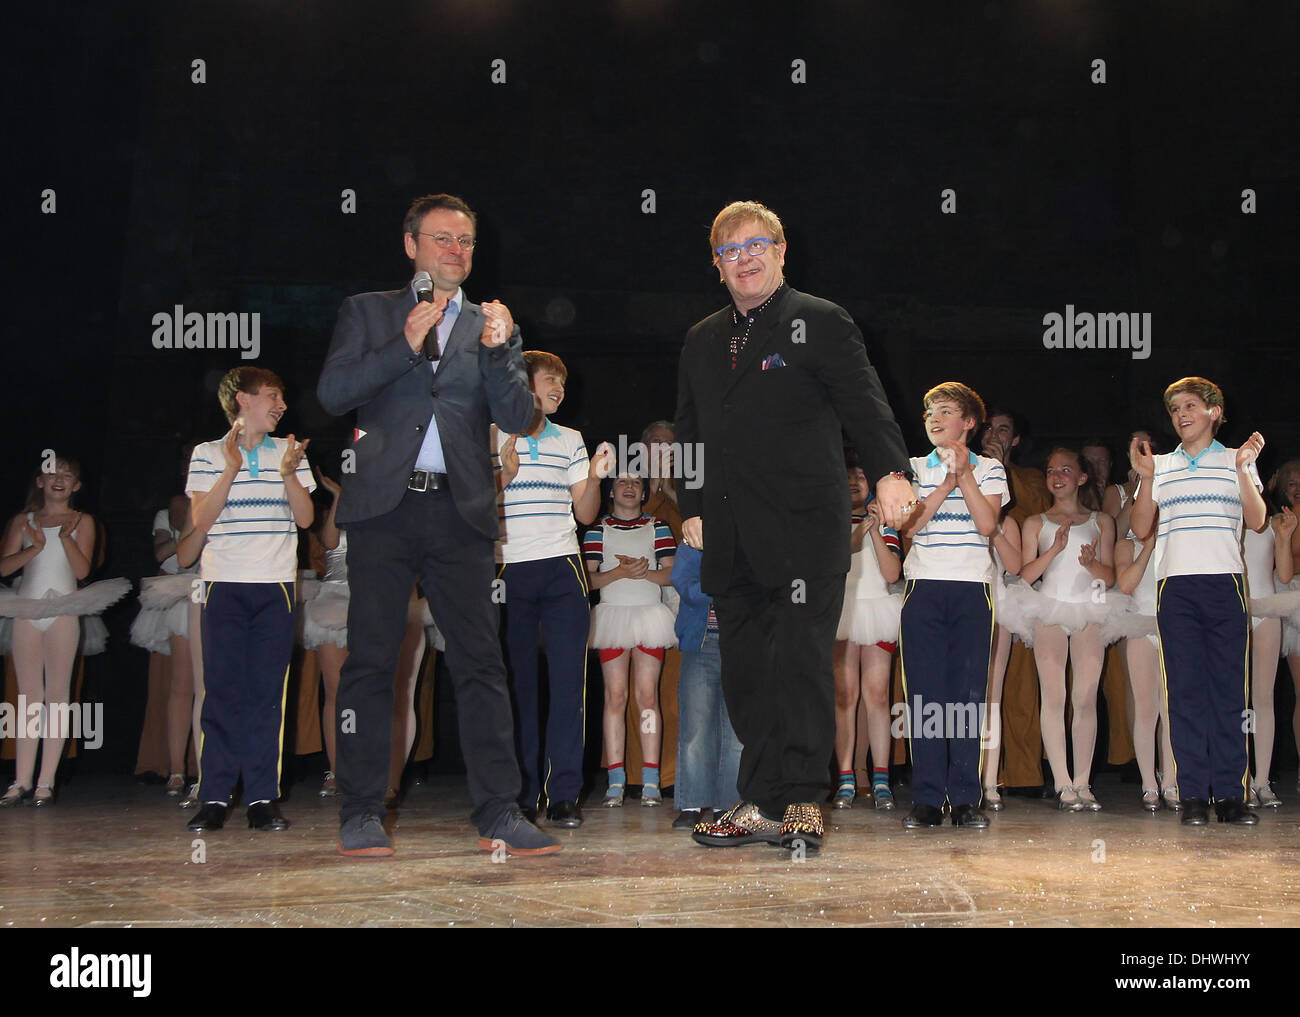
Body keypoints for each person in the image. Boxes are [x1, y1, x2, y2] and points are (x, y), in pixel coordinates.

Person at [318, 192, 560, 857]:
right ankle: (362, 809)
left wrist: (503, 351)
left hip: (461, 512)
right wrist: (403, 344)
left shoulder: (491, 323)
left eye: (466, 242)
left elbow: (519, 419)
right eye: (443, 239)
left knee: (482, 665)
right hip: (382, 512)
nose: (457, 251)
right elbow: (334, 393)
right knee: (370, 663)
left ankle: (499, 811)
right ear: (410, 244)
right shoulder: (367, 311)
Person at [676, 200, 911, 854]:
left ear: (781, 252)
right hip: (729, 531)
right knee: (747, 673)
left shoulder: (821, 320)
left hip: (806, 528)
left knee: (801, 664)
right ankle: (763, 798)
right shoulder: (700, 338)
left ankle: (804, 797)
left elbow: (866, 402)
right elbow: (690, 427)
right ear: (717, 264)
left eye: (757, 245)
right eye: (730, 249)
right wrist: (691, 503)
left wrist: (891, 471)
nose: (744, 258)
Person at [1129, 376, 1266, 826]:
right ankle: (1192, 795)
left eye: (1190, 406)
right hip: (1176, 585)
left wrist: (1245, 468)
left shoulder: (1234, 458)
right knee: (1183, 692)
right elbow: (1141, 526)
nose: (1182, 415)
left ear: (1214, 412)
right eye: (1174, 410)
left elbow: (1258, 520)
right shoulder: (1161, 465)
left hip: (1225, 581)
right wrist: (1147, 479)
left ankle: (1230, 794)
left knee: (1228, 692)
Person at [182, 367, 313, 833]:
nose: (280, 405)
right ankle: (214, 797)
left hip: (275, 585)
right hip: (223, 583)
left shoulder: (288, 452)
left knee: (266, 696)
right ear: (243, 400)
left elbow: (304, 518)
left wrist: (290, 474)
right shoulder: (206, 454)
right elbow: (201, 519)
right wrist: (232, 467)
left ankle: (261, 798)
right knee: (221, 692)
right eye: (272, 396)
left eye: (281, 397)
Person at [494, 350, 607, 827]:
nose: (559, 389)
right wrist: (504, 474)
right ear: (523, 385)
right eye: (549, 380)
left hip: (563, 566)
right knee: (516, 686)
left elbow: (585, 515)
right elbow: (474, 506)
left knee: (568, 684)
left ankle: (564, 793)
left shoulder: (572, 439)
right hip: (509, 569)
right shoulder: (492, 432)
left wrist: (596, 478)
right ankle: (520, 794)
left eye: (562, 381)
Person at [898, 382, 1008, 829]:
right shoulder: (908, 468)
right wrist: (945, 480)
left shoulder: (991, 468)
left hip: (970, 587)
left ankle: (965, 797)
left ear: (968, 422)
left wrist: (965, 475)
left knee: (966, 695)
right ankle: (926, 797)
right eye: (929, 414)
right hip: (923, 585)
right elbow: (909, 526)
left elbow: (986, 525)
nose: (935, 420)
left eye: (945, 412)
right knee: (924, 695)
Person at [0, 456, 129, 806]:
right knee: (28, 696)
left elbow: (83, 569)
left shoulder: (82, 521)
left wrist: (66, 539)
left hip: (64, 610)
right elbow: (4, 566)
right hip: (27, 609)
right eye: (52, 474)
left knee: (58, 695)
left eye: (67, 476)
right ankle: (20, 780)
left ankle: (46, 782)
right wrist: (35, 548)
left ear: (76, 486)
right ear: (39, 482)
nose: (59, 479)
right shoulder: (22, 521)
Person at [1018, 449, 1118, 811]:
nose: (1056, 475)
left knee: (1085, 697)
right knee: (1054, 696)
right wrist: (1054, 550)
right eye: (1050, 470)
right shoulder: (1035, 523)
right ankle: (1062, 782)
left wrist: (1092, 564)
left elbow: (1110, 578)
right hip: (1049, 608)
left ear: (1082, 477)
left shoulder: (1102, 521)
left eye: (1065, 469)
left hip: (1089, 607)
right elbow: (1024, 576)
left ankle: (1083, 783)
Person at [585, 473, 677, 807]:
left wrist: (644, 573)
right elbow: (589, 580)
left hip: (649, 616)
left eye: (636, 483)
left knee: (647, 696)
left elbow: (672, 573)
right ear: (610, 492)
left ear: (643, 492)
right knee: (615, 697)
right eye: (622, 482)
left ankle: (651, 780)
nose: (628, 487)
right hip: (612, 618)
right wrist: (620, 573)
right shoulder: (597, 529)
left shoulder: (659, 526)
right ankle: (615, 781)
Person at [830, 455, 902, 810]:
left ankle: (881, 779)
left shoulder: (887, 523)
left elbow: (892, 574)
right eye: (848, 475)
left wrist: (875, 529)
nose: (855, 481)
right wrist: (861, 528)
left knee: (877, 695)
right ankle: (844, 777)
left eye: (861, 474)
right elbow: (842, 556)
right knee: (844, 697)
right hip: (843, 613)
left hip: (878, 612)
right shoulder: (830, 521)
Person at [669, 540, 740, 830]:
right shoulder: (696, 533)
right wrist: (722, 589)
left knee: (737, 732)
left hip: (741, 644)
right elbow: (682, 581)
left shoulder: (754, 530)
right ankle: (691, 804)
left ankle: (729, 806)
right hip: (703, 641)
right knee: (695, 726)